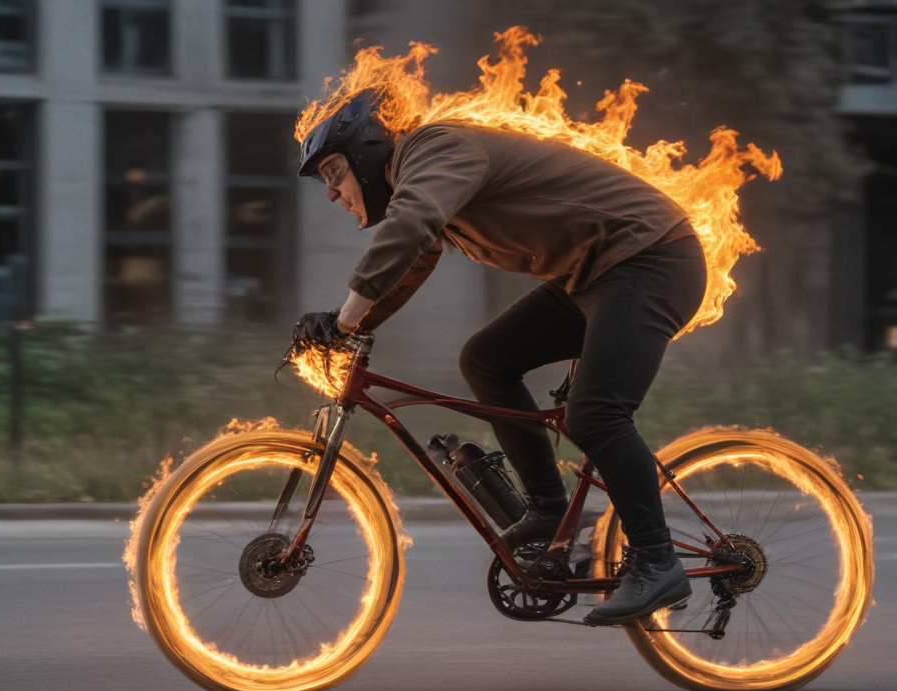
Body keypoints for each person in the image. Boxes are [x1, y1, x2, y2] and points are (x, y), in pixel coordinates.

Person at [295, 91, 707, 625]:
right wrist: (346, 324)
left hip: (651, 259)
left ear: (368, 150)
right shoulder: (425, 180)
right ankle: (548, 507)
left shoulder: (436, 149)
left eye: (334, 172)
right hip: (594, 275)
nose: (331, 192)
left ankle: (657, 561)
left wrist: (344, 319)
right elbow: (411, 262)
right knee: (486, 359)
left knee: (595, 414)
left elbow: (412, 223)